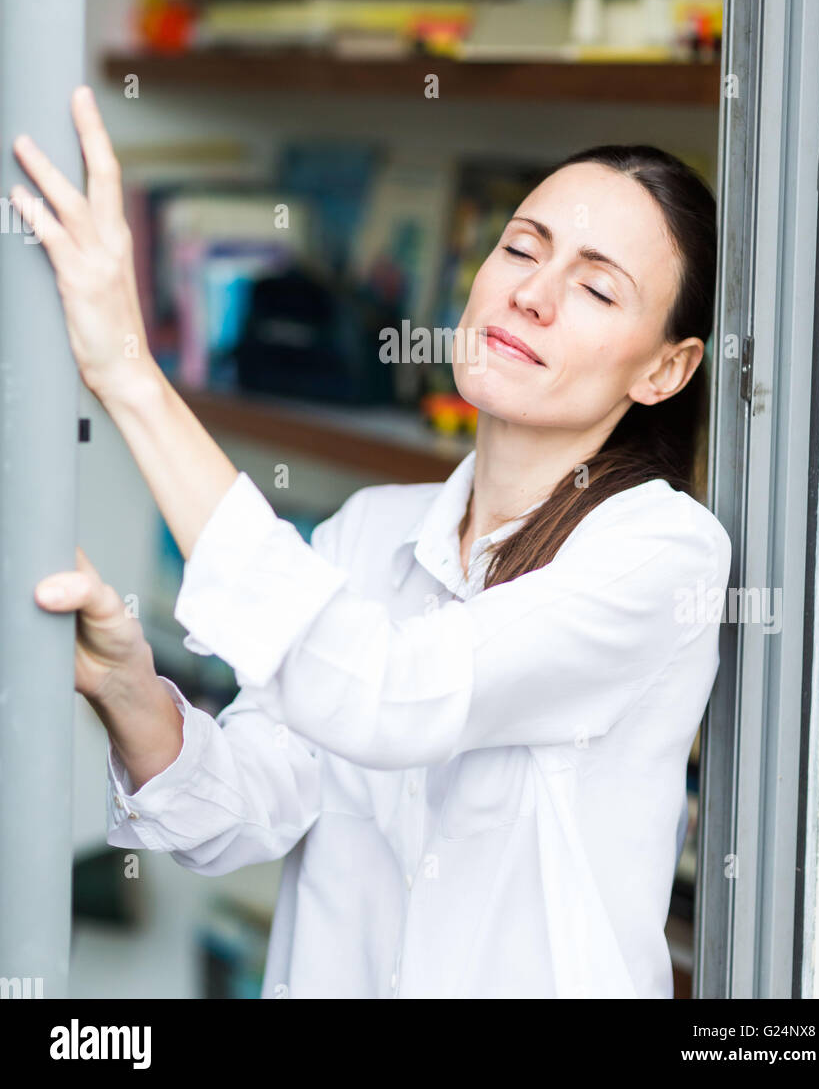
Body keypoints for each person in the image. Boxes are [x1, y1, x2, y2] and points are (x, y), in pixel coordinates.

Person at [11, 87, 731, 1000]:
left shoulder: (661, 555)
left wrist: (128, 371)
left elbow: (391, 696)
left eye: (595, 287)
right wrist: (123, 685)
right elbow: (240, 814)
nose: (533, 295)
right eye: (520, 246)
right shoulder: (373, 528)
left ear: (666, 369)